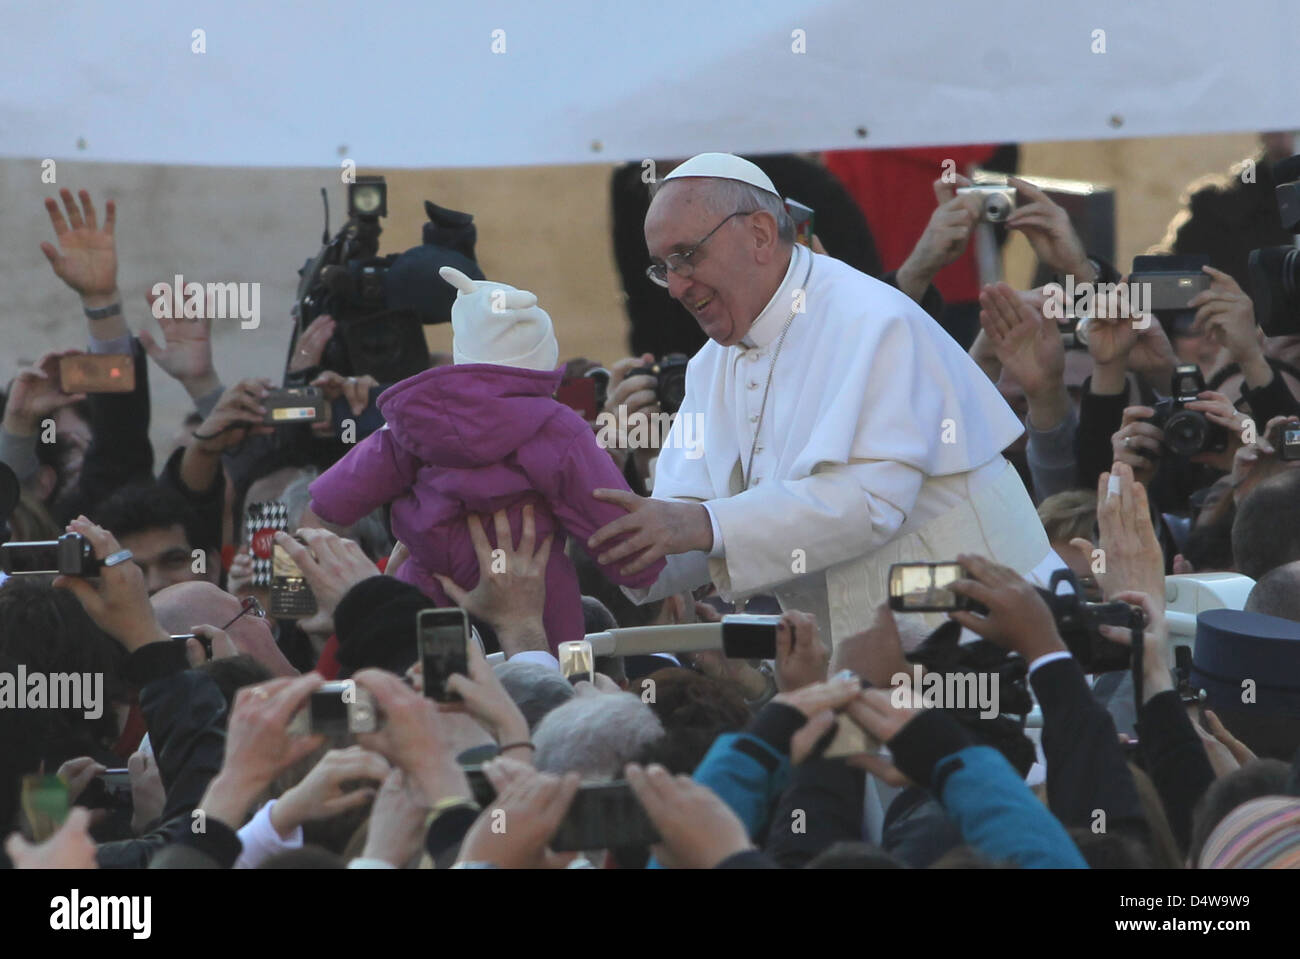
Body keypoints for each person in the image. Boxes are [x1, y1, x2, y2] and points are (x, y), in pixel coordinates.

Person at [588, 153, 1060, 650]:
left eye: (688, 256)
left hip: (985, 635)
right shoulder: (712, 364)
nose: (677, 286)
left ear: (761, 235)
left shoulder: (873, 320)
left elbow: (869, 503)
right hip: (860, 657)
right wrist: (617, 540)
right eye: (664, 268)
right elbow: (686, 519)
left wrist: (699, 524)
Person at [305, 266, 663, 651]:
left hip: (430, 575)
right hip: (534, 577)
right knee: (567, 653)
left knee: (425, 664)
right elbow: (605, 511)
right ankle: (568, 689)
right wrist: (641, 566)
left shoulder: (413, 418)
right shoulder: (559, 427)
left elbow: (335, 497)